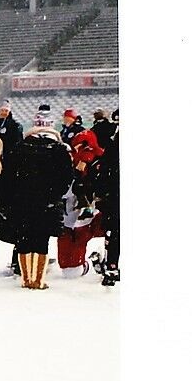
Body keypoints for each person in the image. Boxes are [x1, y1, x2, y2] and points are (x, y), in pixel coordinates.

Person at [0, 110, 74, 290]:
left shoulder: (20, 148)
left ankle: (26, 278)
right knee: (42, 239)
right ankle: (38, 280)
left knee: (24, 239)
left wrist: (10, 198)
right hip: (46, 203)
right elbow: (67, 178)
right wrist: (53, 195)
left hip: (22, 202)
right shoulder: (59, 150)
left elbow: (7, 177)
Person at [89, 120, 120, 285]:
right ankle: (111, 263)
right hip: (114, 194)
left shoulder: (113, 144)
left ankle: (111, 263)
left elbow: (104, 170)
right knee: (115, 231)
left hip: (114, 194)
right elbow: (104, 169)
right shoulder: (113, 145)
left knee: (114, 231)